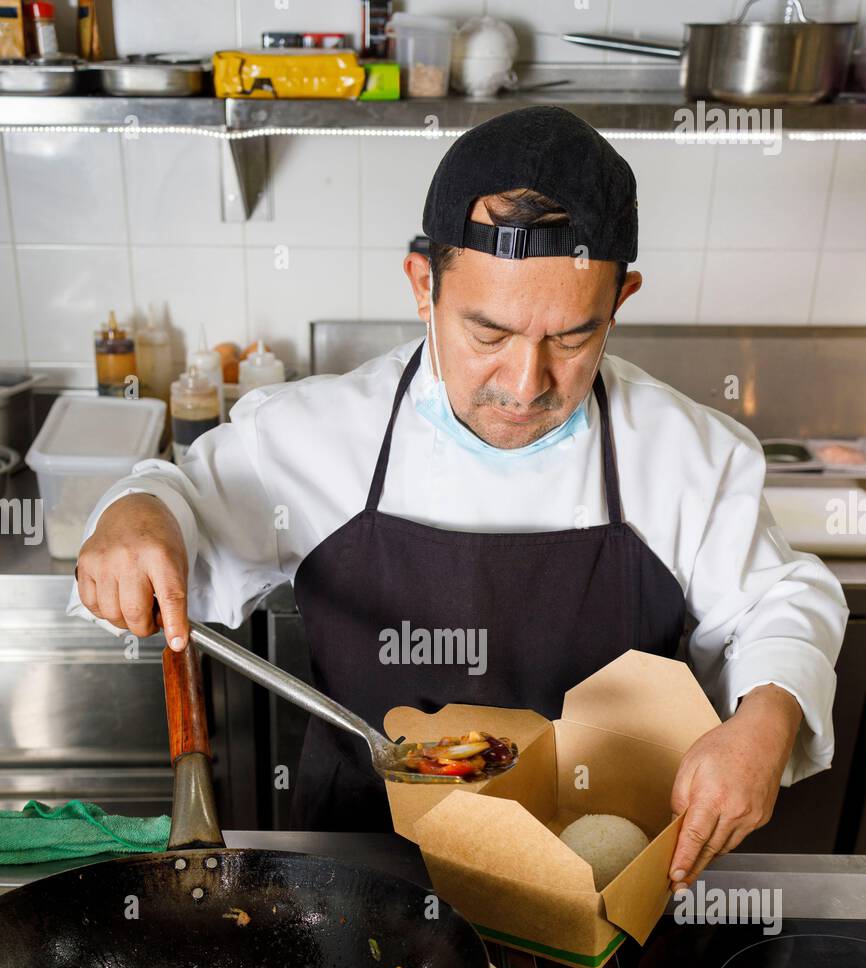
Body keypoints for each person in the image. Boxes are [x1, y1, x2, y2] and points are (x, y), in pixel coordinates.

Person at [70, 107, 848, 886]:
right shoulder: (323, 432)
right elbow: (179, 503)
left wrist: (767, 717)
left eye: (573, 338)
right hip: (364, 879)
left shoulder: (688, 455)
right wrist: (138, 512)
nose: (524, 383)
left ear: (621, 301)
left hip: (601, 877)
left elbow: (775, 605)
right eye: (488, 334)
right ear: (423, 286)